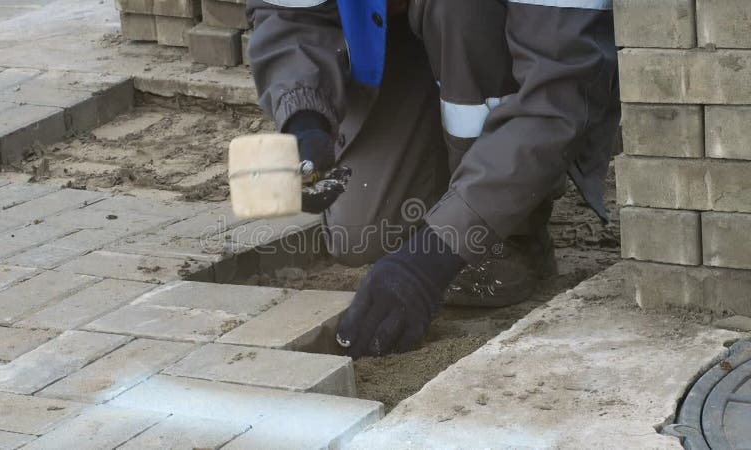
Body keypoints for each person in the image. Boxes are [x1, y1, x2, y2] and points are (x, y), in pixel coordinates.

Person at [246, 0, 620, 358]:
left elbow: (557, 96)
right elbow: (288, 14)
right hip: (402, 43)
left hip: (508, 46)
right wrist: (305, 118)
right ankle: (452, 207)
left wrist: (435, 254)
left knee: (459, 7)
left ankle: (511, 232)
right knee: (366, 236)